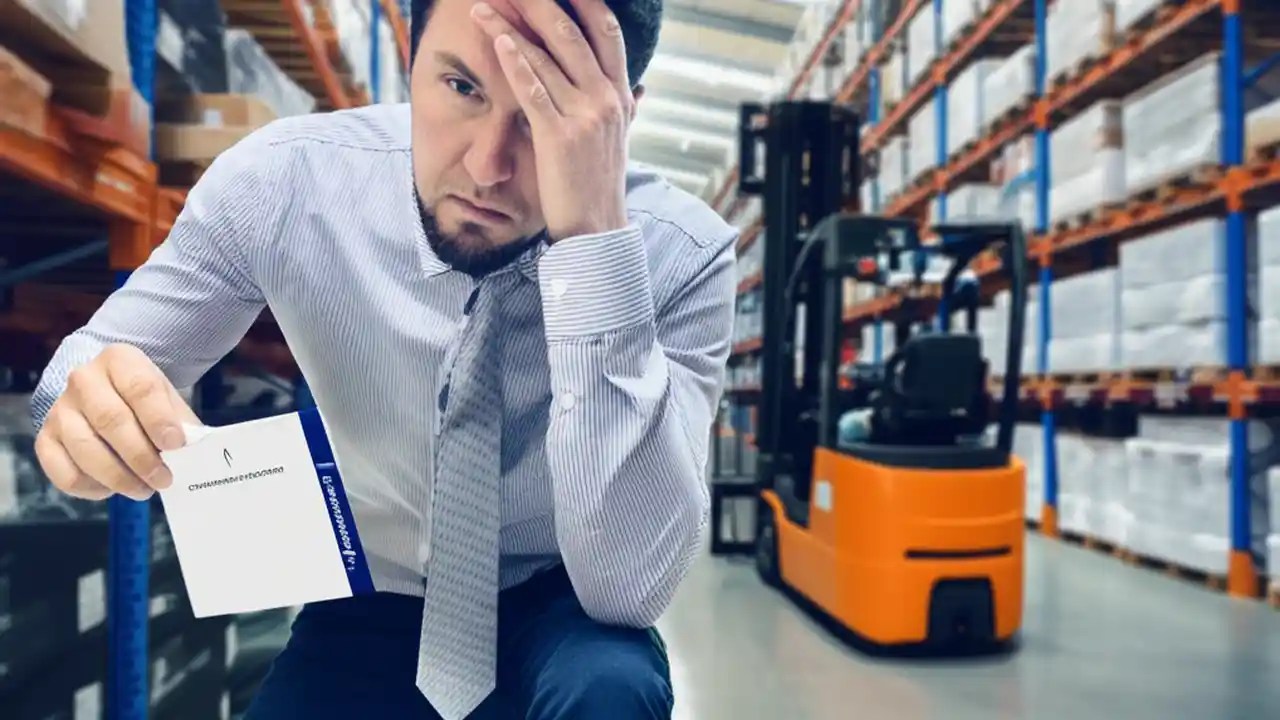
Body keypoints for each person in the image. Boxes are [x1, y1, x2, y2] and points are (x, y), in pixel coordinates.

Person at [28, 0, 737, 717]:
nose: (488, 167)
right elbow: (91, 362)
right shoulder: (287, 182)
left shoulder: (683, 253)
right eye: (461, 87)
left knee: (610, 692)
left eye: (546, 114)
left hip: (567, 602)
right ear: (412, 58)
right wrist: (78, 407)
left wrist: (592, 246)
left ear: (621, 119)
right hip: (373, 593)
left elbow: (627, 587)